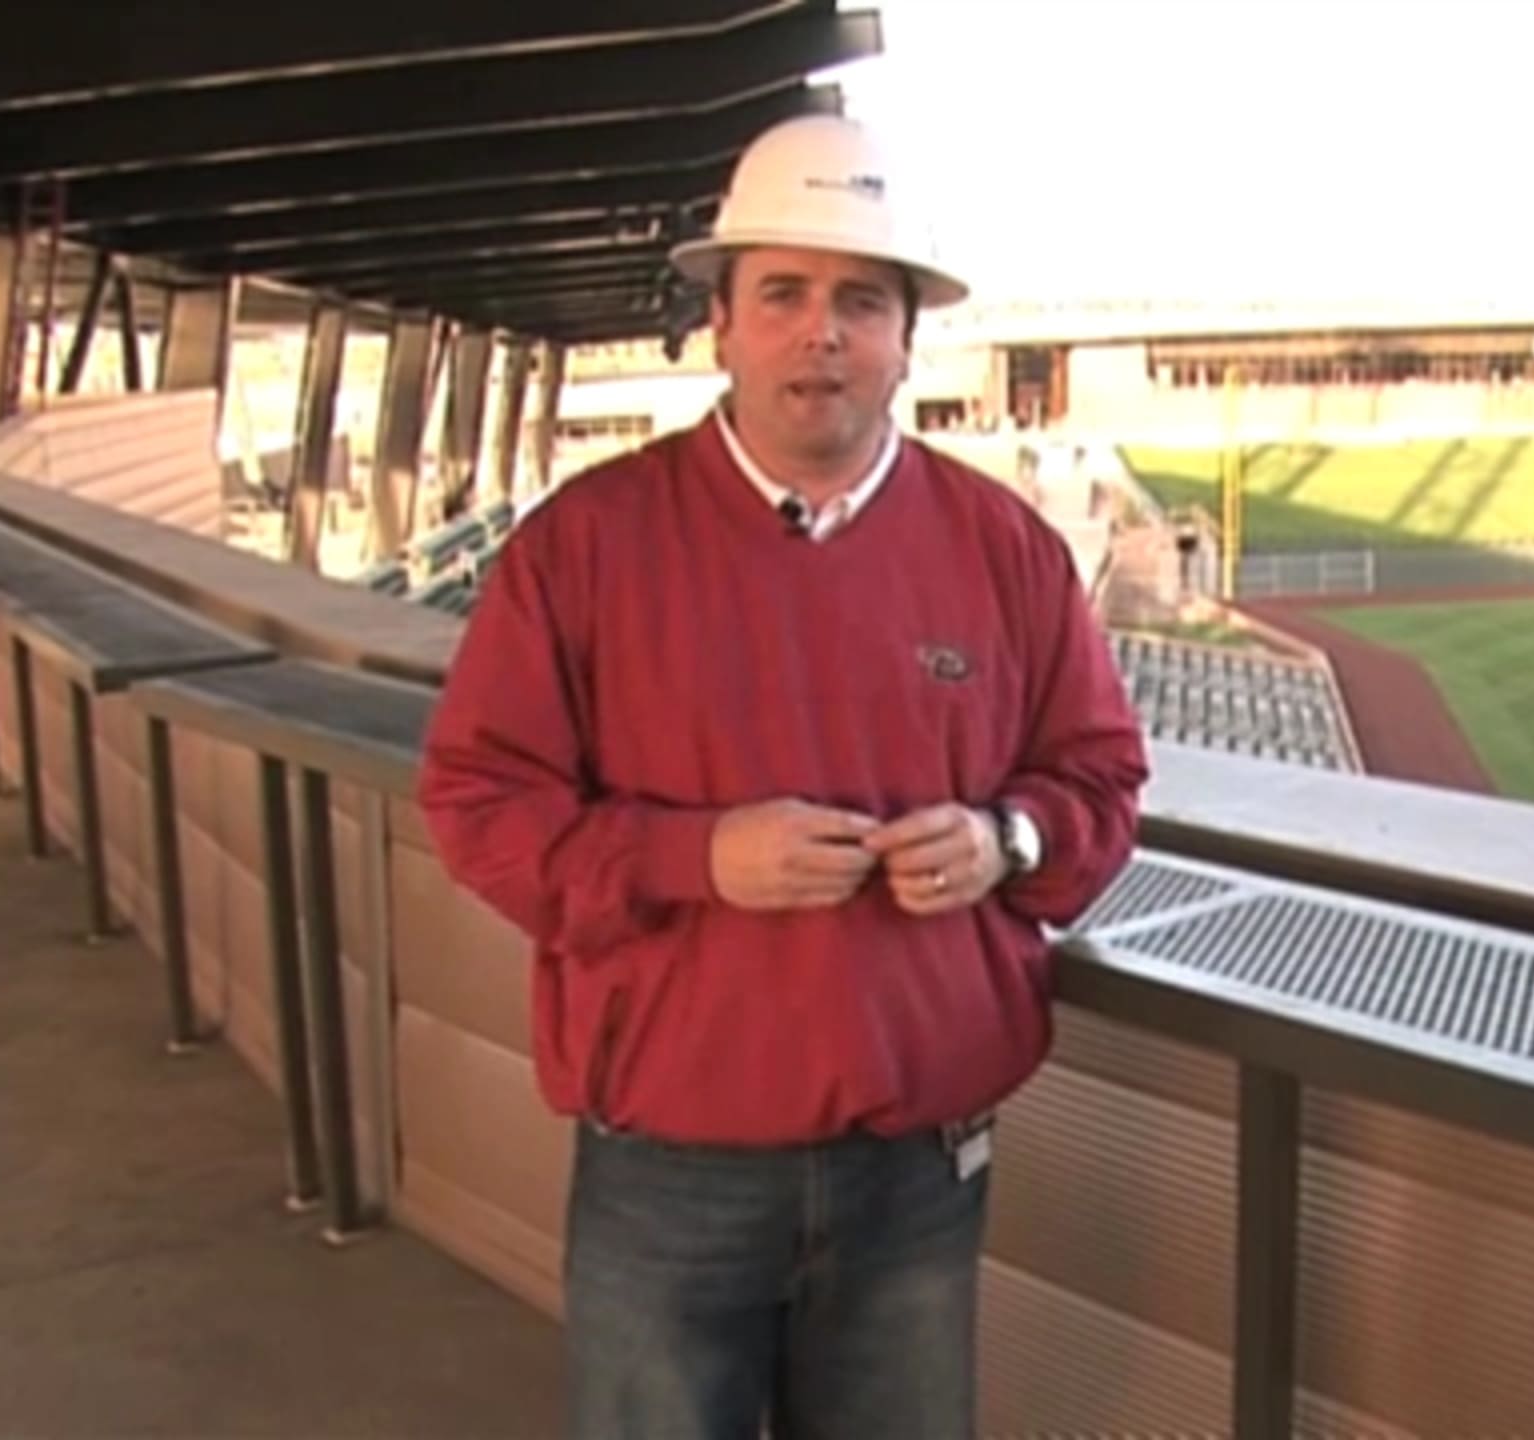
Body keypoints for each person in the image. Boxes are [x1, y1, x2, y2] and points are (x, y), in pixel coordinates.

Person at [415, 113, 1148, 1440]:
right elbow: (478, 807)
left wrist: (1007, 841)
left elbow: (1099, 780)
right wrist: (693, 859)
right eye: (786, 295)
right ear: (722, 324)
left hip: (918, 1171)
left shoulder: (1007, 551)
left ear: (906, 337)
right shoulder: (585, 548)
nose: (823, 333)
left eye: (860, 301)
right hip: (668, 1173)